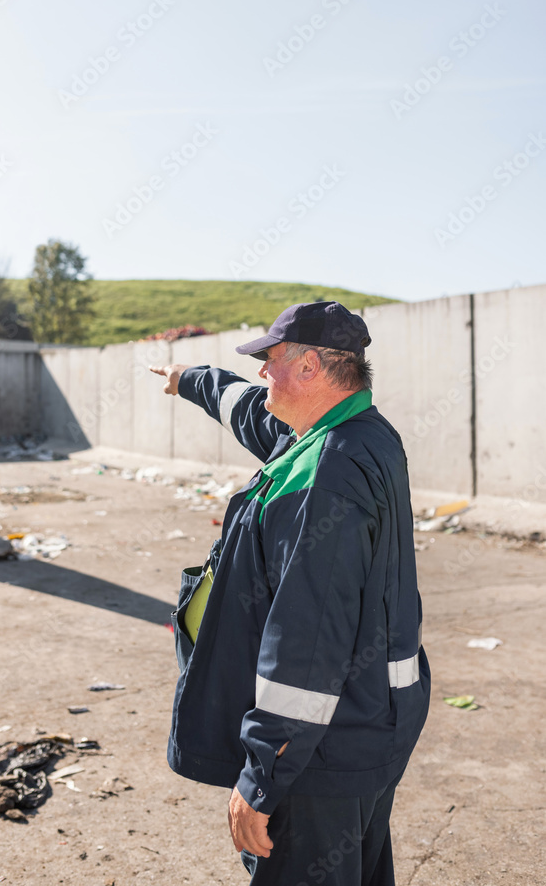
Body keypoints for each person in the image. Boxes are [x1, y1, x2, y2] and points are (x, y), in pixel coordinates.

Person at [150, 301, 430, 886]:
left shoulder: (324, 474)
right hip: (370, 725)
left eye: (270, 361)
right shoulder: (351, 432)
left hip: (321, 754)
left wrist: (261, 778)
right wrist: (188, 381)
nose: (260, 373)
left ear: (310, 369)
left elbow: (306, 644)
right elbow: (246, 408)